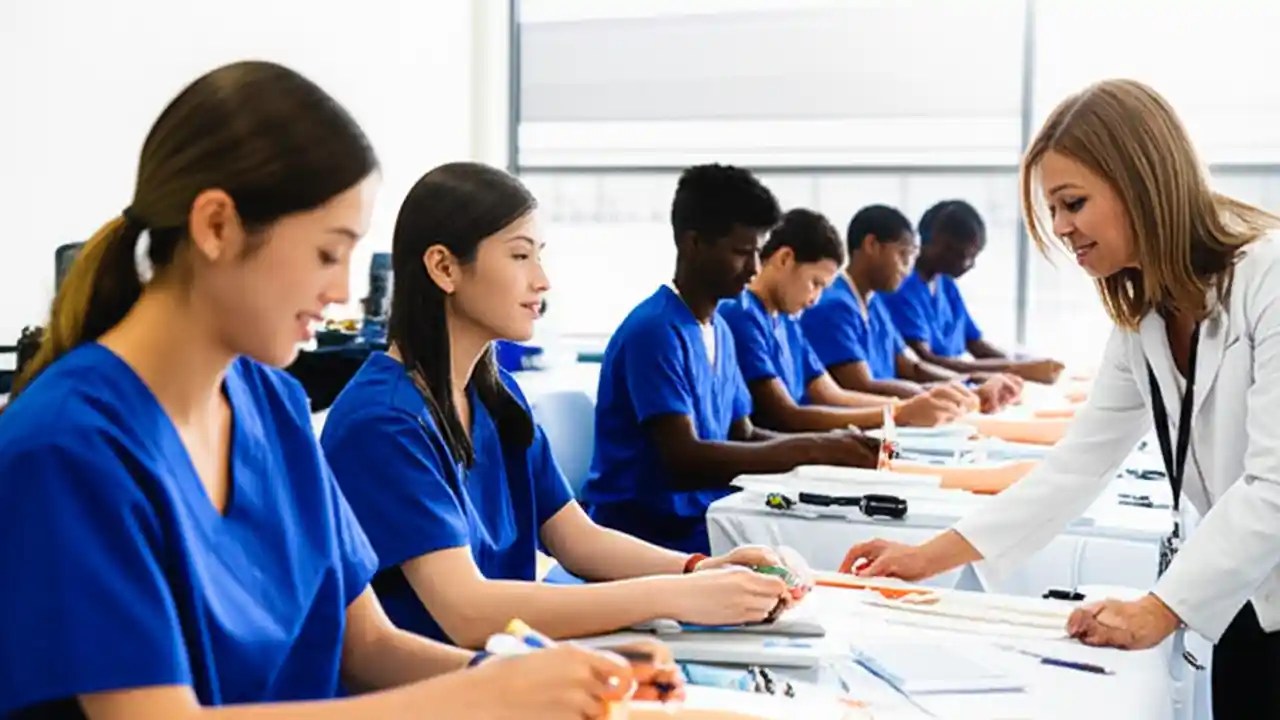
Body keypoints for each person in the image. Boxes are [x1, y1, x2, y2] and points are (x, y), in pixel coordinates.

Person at [0, 61, 670, 720]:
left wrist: (550, 679)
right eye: (327, 253)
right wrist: (483, 694)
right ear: (216, 227)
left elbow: (368, 645)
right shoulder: (66, 447)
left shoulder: (273, 406)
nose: (344, 291)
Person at [840, 79, 1280, 719]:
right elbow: (1078, 465)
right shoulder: (1144, 317)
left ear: (1141, 181)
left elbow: (1274, 484)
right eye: (1052, 210)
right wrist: (927, 555)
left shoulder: (1268, 277)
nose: (1061, 228)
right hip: (1245, 598)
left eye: (1072, 202)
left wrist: (1159, 608)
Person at [321, 162, 801, 649]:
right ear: (444, 268)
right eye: (520, 256)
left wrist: (700, 568)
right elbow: (467, 611)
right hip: (441, 685)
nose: (543, 280)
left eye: (539, 256)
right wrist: (677, 594)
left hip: (506, 660)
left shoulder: (495, 395)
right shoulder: (384, 421)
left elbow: (576, 538)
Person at [580, 164, 881, 555]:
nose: (755, 268)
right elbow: (684, 459)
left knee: (846, 532)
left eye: (758, 252)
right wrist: (812, 449)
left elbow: (744, 434)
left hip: (708, 514)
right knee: (820, 553)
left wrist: (828, 445)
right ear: (693, 244)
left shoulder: (718, 328)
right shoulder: (654, 331)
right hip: (650, 532)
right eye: (742, 252)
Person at [717, 207, 970, 432]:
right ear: (784, 259)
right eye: (814, 283)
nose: (815, 299)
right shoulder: (742, 316)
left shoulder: (788, 321)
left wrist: (906, 407)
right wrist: (897, 414)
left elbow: (830, 393)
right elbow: (785, 414)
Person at [799, 204, 1021, 410]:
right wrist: (951, 395)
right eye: (903, 255)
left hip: (887, 419)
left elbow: (912, 366)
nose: (908, 269)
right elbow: (861, 385)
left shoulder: (874, 303)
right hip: (858, 424)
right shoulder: (833, 307)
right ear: (872, 246)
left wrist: (969, 382)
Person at [882, 200, 1065, 384]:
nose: (970, 265)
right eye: (966, 256)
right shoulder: (901, 288)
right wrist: (1016, 370)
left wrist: (1021, 364)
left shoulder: (945, 284)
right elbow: (924, 360)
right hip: (933, 387)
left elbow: (975, 345)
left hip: (957, 382)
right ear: (941, 245)